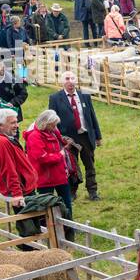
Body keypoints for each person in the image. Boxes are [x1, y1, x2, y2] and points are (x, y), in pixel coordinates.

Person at [48, 71, 102, 202]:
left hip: (85, 136)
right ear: (62, 82)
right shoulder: (55, 98)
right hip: (67, 139)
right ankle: (72, 192)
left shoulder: (84, 96)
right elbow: (52, 120)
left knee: (89, 164)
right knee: (71, 166)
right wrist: (59, 138)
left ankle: (92, 191)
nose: (70, 81)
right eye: (67, 78)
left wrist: (98, 136)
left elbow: (92, 116)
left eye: (73, 78)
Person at [24, 109, 76, 218]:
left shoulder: (52, 132)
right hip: (45, 178)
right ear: (45, 124)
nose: (55, 127)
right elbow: (42, 158)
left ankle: (69, 226)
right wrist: (60, 155)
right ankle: (50, 228)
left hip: (59, 175)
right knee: (46, 205)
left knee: (67, 202)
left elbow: (60, 141)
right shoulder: (34, 137)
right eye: (53, 125)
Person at [0, 107, 38, 210]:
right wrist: (17, 194)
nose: (17, 126)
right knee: (29, 223)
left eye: (16, 122)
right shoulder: (1, 142)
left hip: (22, 189)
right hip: (22, 192)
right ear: (0, 125)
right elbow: (8, 170)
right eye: (12, 123)